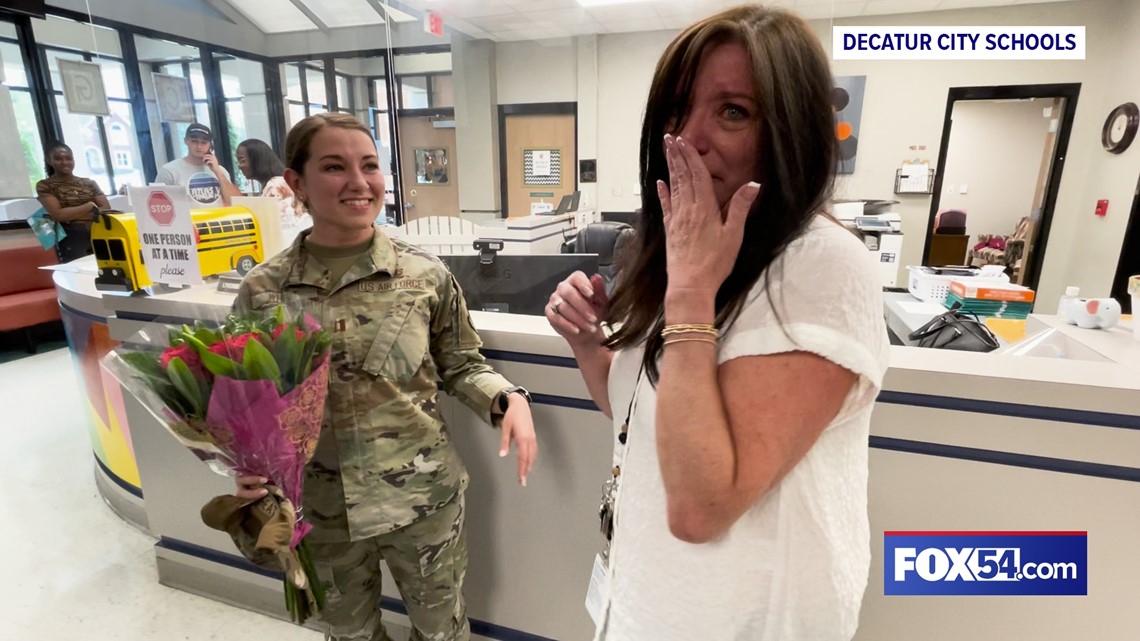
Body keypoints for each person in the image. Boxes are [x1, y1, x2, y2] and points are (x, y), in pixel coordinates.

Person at [545, 6, 889, 641]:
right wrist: (590, 345)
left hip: (746, 621)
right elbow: (644, 421)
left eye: (733, 111)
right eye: (678, 110)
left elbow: (701, 507)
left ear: (789, 133)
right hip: (648, 601)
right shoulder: (681, 252)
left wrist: (692, 290)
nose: (690, 139)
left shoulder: (821, 266)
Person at [231, 112, 537, 641]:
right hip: (320, 510)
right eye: (334, 166)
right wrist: (245, 464)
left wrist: (508, 399)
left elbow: (460, 363)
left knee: (441, 631)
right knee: (347, 635)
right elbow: (247, 402)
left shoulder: (423, 274)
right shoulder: (263, 290)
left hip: (421, 501)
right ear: (297, 183)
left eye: (369, 165)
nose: (359, 181)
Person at [35, 142, 111, 263]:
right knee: (77, 273)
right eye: (58, 159)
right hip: (71, 235)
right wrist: (90, 205)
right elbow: (58, 215)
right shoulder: (45, 185)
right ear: (49, 161)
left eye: (68, 158)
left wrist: (70, 214)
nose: (65, 162)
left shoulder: (89, 183)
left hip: (99, 232)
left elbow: (106, 208)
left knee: (106, 270)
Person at [217, 138, 306, 225]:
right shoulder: (277, 182)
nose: (239, 166)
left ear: (257, 160)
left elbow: (271, 224)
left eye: (242, 160)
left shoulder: (274, 186)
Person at [155, 122, 231, 204]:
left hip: (218, 216)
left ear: (210, 145)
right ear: (186, 141)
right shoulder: (169, 171)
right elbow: (157, 203)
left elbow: (233, 202)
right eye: (194, 141)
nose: (199, 146)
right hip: (185, 216)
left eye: (204, 142)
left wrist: (218, 172)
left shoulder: (220, 171)